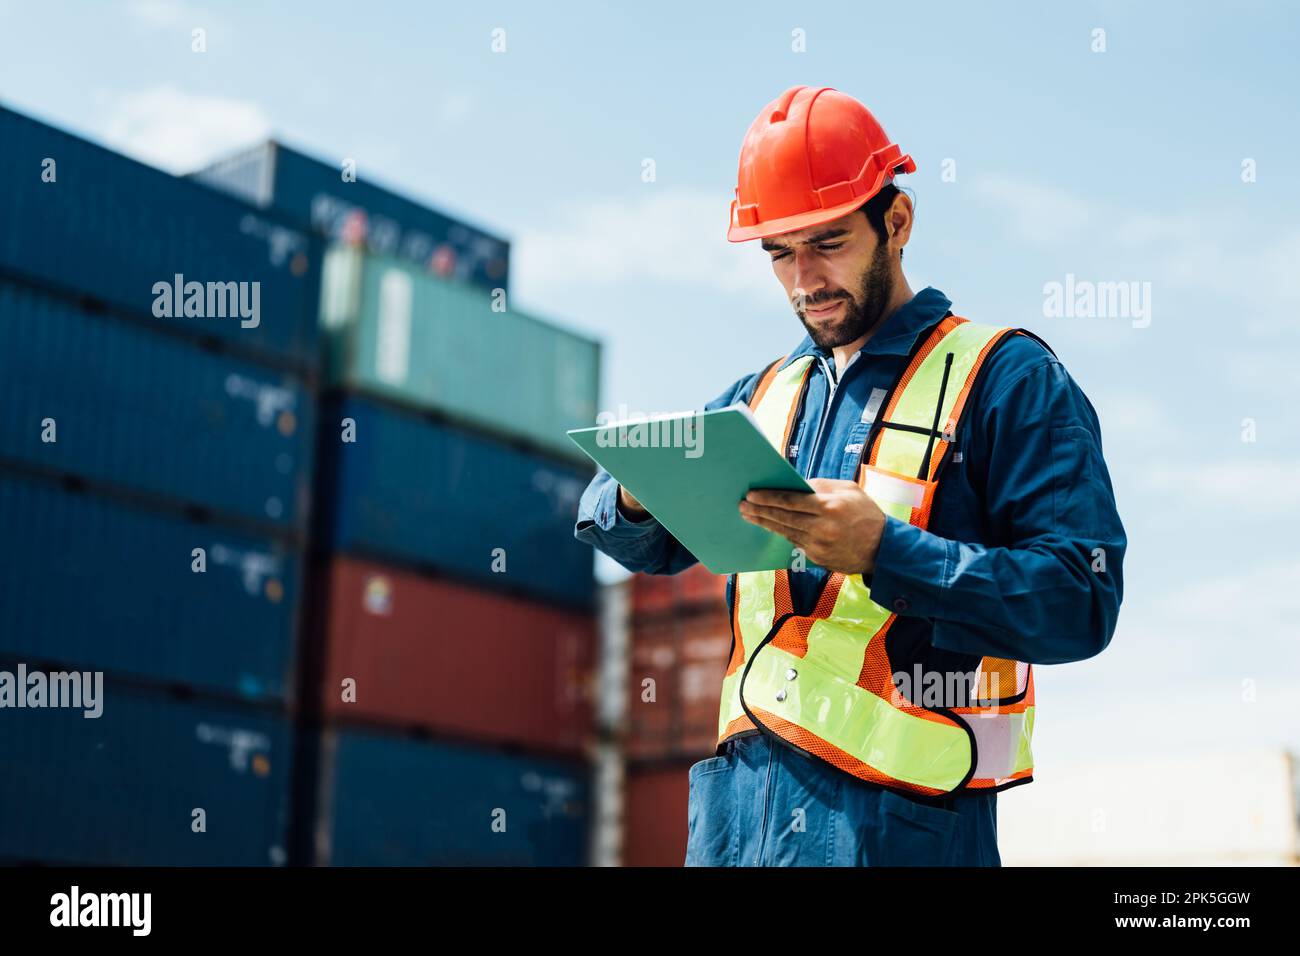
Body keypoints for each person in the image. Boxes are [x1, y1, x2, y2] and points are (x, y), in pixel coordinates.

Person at [574, 86, 1126, 866]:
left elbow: (1082, 598)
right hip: (736, 834)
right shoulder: (760, 400)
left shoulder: (1008, 379)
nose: (804, 279)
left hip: (905, 837)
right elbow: (620, 533)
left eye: (828, 242)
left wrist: (886, 551)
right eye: (778, 252)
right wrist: (636, 488)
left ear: (895, 223)